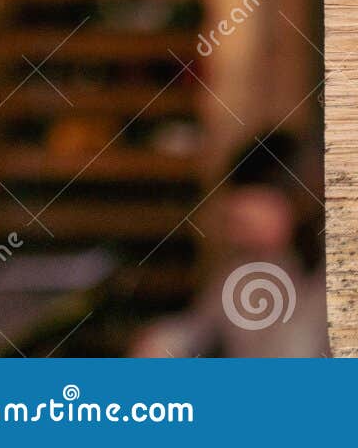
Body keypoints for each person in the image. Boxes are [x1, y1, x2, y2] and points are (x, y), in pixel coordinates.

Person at [131, 132, 327, 357]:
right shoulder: (243, 269)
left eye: (246, 224)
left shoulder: (330, 279)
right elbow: (197, 329)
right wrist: (161, 340)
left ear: (295, 204)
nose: (235, 236)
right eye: (233, 223)